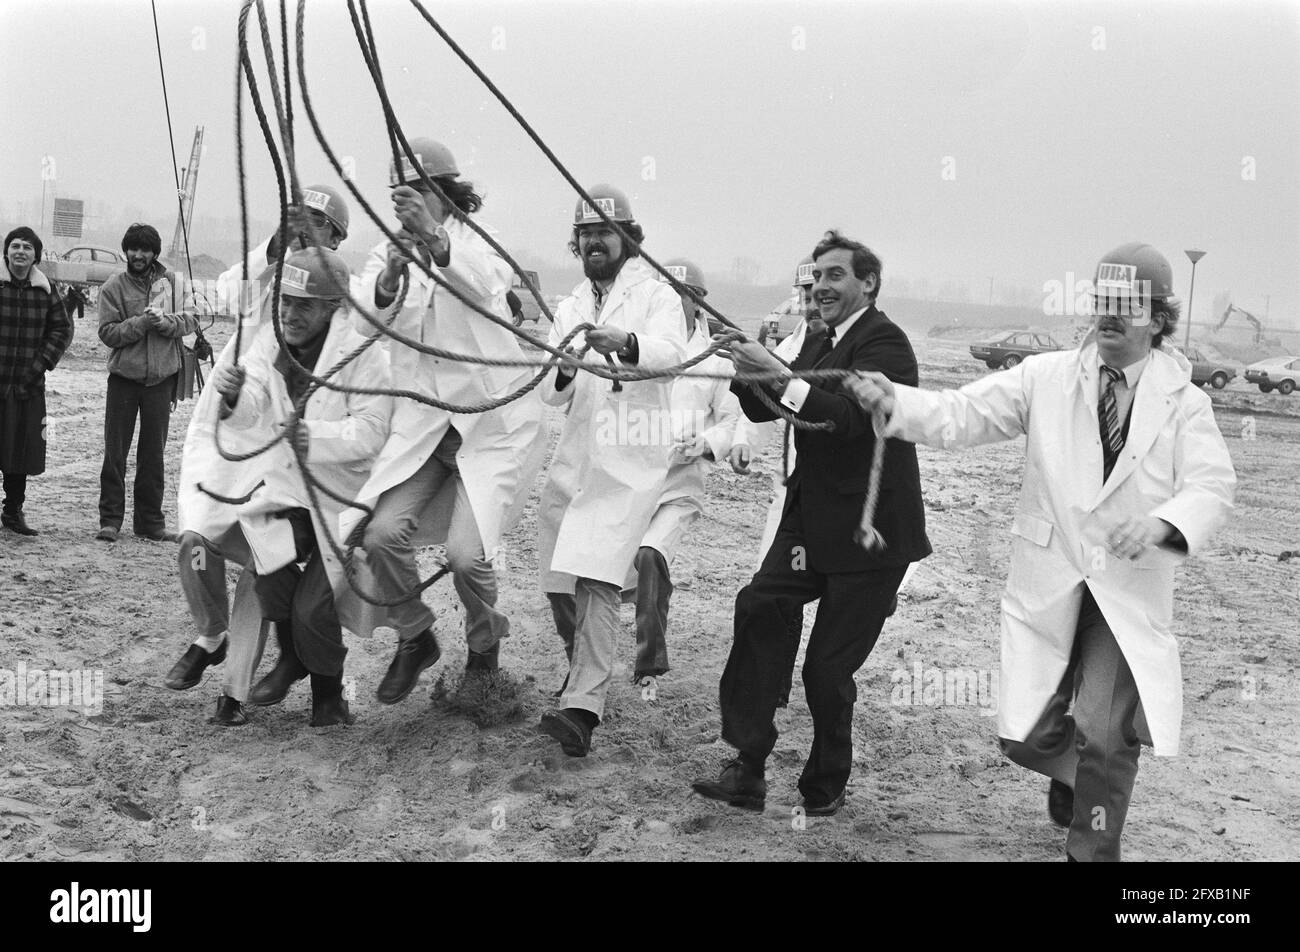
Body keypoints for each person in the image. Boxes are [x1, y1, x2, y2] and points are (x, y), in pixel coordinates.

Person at [847, 243, 1236, 861]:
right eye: (1103, 303)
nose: (1110, 317)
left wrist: (1165, 523)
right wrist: (896, 400)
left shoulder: (1187, 404)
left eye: (1127, 308)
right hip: (1050, 572)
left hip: (1124, 588)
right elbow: (963, 413)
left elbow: (1212, 485)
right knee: (1024, 734)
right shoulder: (1045, 377)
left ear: (1159, 320)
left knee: (1107, 735)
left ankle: (1092, 845)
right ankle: (1077, 776)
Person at [692, 230, 931, 815]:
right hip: (808, 520)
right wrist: (748, 367)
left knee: (826, 669)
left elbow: (843, 423)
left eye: (834, 276)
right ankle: (747, 766)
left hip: (869, 534)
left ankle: (825, 782)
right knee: (759, 605)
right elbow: (766, 408)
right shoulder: (819, 340)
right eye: (816, 276)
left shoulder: (888, 346)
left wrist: (774, 370)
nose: (820, 286)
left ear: (868, 282)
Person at [345, 137, 545, 702]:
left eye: (414, 193)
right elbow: (366, 320)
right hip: (428, 428)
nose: (403, 204)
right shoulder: (391, 247)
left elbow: (486, 285)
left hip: (492, 427)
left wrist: (434, 241)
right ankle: (416, 635)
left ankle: (484, 649)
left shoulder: (479, 243)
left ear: (444, 192)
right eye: (396, 196)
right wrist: (389, 278)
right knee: (380, 536)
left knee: (465, 557)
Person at [165, 186, 351, 726]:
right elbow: (223, 292)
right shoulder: (267, 273)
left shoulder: (336, 295)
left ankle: (235, 692)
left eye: (318, 223)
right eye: (298, 218)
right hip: (228, 423)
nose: (304, 229)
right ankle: (210, 633)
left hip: (285, 450)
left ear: (337, 238)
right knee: (195, 540)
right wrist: (274, 249)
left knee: (259, 560)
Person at [535, 185, 688, 756]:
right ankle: (582, 672)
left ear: (627, 238)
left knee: (597, 579)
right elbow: (551, 396)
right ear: (576, 244)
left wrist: (625, 342)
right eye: (585, 233)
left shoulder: (656, 297)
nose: (594, 240)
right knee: (557, 584)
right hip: (574, 461)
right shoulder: (571, 305)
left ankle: (582, 709)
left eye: (604, 230)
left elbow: (673, 356)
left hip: (628, 461)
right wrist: (566, 366)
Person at [213, 247, 392, 727]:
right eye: (285, 301)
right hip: (288, 488)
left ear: (333, 308)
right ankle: (291, 656)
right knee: (267, 572)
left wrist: (318, 438)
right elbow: (251, 398)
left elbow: (374, 430)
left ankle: (329, 698)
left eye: (304, 305)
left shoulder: (363, 352)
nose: (290, 314)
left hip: (341, 497)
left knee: (314, 607)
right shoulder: (272, 339)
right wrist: (233, 396)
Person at [621, 258, 739, 693]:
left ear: (697, 301)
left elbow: (731, 421)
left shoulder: (717, 360)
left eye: (680, 293)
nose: (671, 300)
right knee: (596, 570)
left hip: (679, 485)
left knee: (652, 557)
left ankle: (648, 666)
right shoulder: (639, 348)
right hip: (630, 479)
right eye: (664, 290)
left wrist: (706, 443)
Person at [727, 256, 823, 706]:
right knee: (774, 591)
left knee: (839, 605)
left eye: (820, 290)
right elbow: (763, 397)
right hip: (793, 490)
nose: (813, 302)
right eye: (805, 294)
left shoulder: (861, 345)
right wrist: (745, 440)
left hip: (846, 496)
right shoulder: (796, 341)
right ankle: (774, 688)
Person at [96, 222, 199, 542]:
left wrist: (165, 322)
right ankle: (110, 520)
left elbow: (192, 319)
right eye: (133, 249)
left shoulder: (172, 283)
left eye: (145, 250)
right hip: (123, 381)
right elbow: (107, 333)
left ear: (154, 253)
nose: (138, 255)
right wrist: (142, 323)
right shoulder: (113, 286)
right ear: (126, 251)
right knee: (115, 453)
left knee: (153, 455)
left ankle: (150, 523)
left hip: (161, 381)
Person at [1, 227, 74, 536]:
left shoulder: (46, 291)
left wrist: (40, 364)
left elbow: (62, 330)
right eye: (15, 246)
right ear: (6, 253)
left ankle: (13, 511)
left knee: (19, 450)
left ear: (36, 256)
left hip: (27, 386)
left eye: (27, 247)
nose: (20, 251)